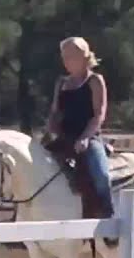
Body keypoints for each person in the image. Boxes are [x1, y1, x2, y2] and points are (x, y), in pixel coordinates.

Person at [44, 36, 114, 220]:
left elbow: (99, 114)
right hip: (63, 138)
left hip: (88, 139)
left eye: (70, 56)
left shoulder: (95, 81)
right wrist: (50, 125)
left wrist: (84, 138)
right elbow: (55, 111)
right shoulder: (61, 83)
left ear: (84, 56)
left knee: (101, 175)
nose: (66, 61)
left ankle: (109, 215)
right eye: (64, 56)